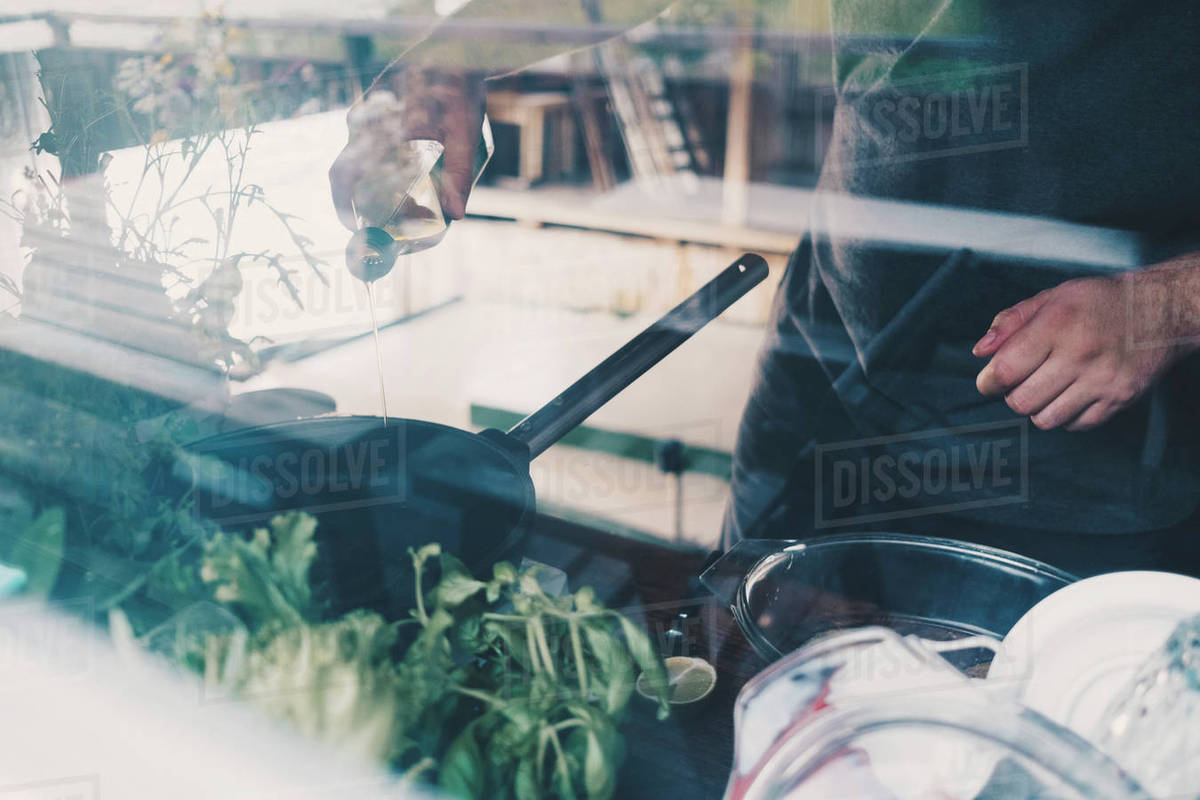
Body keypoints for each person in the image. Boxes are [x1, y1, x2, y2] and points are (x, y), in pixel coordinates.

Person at [331, 0, 1200, 577]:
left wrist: (1170, 306)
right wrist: (450, 61)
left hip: (1083, 445)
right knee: (743, 659)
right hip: (827, 354)